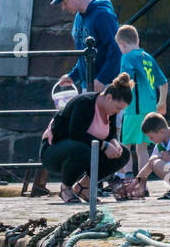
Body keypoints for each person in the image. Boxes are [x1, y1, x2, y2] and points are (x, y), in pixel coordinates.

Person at [40, 71, 134, 202]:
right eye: (118, 108)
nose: (117, 112)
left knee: (123, 153)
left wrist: (114, 143)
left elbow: (110, 133)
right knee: (82, 149)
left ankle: (83, 186)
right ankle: (65, 188)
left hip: (85, 150)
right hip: (55, 152)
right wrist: (104, 145)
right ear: (108, 97)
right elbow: (76, 134)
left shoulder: (109, 111)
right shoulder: (85, 103)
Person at [115, 25, 168, 176]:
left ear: (122, 44)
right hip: (150, 108)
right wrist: (162, 102)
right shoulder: (148, 58)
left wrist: (115, 94)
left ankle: (126, 176)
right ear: (137, 40)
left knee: (125, 145)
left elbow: (125, 79)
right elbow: (163, 82)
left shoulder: (127, 57)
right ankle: (142, 181)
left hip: (134, 109)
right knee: (142, 147)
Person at [52, 0, 120, 93]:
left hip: (107, 86)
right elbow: (85, 54)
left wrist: (102, 80)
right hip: (88, 85)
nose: (63, 7)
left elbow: (116, 49)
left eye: (65, 2)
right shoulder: (78, 17)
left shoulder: (103, 15)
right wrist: (73, 76)